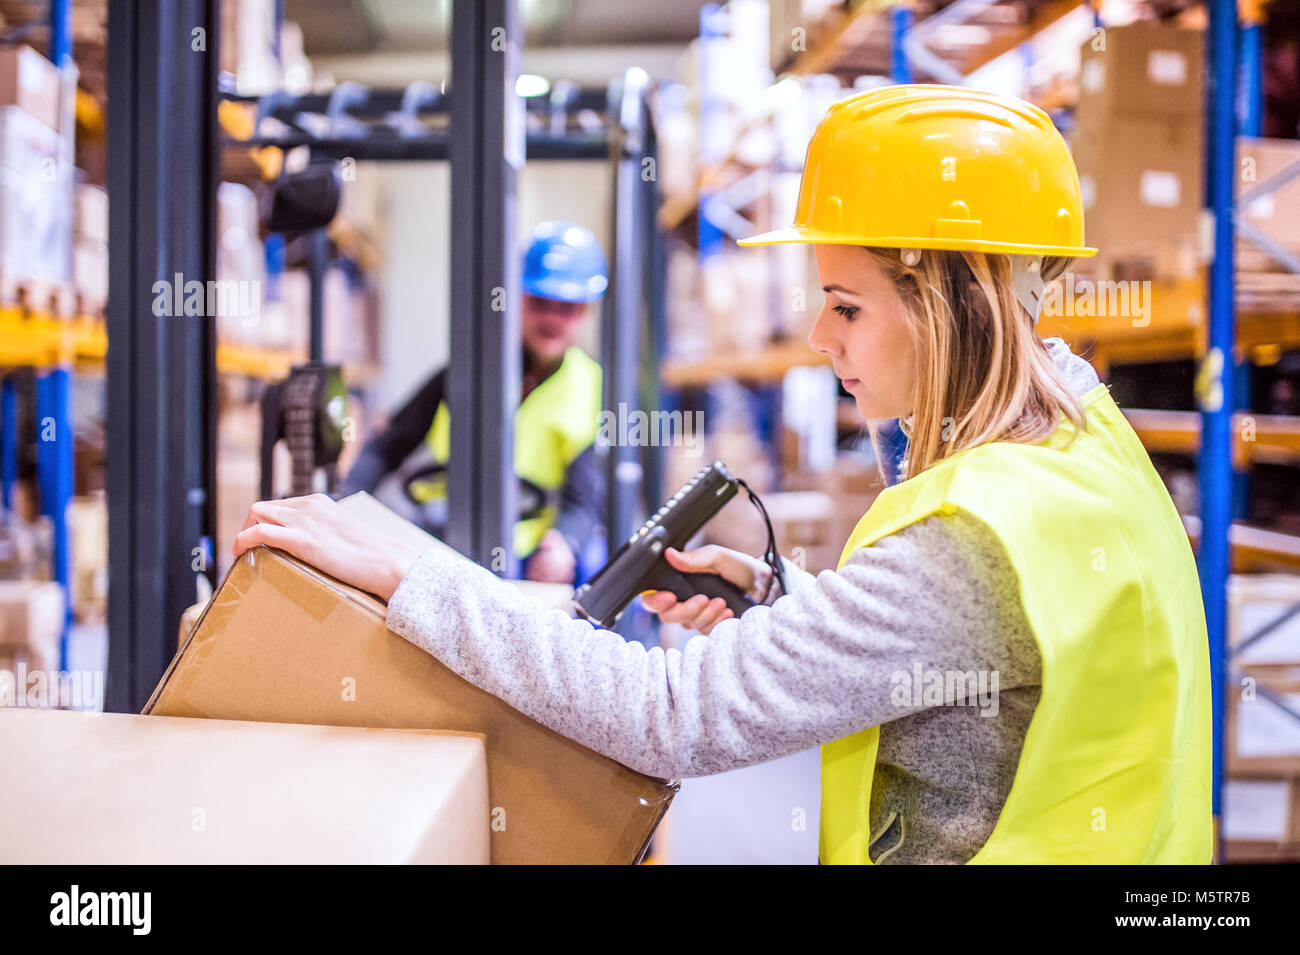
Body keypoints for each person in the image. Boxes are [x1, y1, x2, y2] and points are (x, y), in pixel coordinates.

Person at [236, 85, 1212, 864]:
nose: (820, 336)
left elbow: (673, 716)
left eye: (844, 305)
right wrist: (784, 599)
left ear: (946, 301)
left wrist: (407, 578)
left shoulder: (972, 538)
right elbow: (988, 649)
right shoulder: (1089, 441)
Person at [341, 221, 608, 584]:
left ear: (585, 311)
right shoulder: (468, 369)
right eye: (540, 303)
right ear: (518, 299)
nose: (551, 319)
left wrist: (564, 542)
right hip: (444, 533)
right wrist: (341, 503)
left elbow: (585, 497)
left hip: (524, 554)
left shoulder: (588, 385)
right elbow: (389, 447)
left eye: (566, 308)